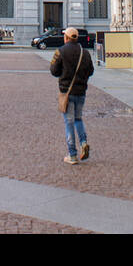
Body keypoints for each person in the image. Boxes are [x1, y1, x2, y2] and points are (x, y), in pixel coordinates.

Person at [49, 26, 95, 165]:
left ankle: (72, 154)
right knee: (78, 119)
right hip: (81, 92)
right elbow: (91, 71)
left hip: (66, 93)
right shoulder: (85, 53)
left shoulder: (61, 51)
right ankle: (84, 142)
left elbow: (54, 71)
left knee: (68, 122)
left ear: (66, 38)